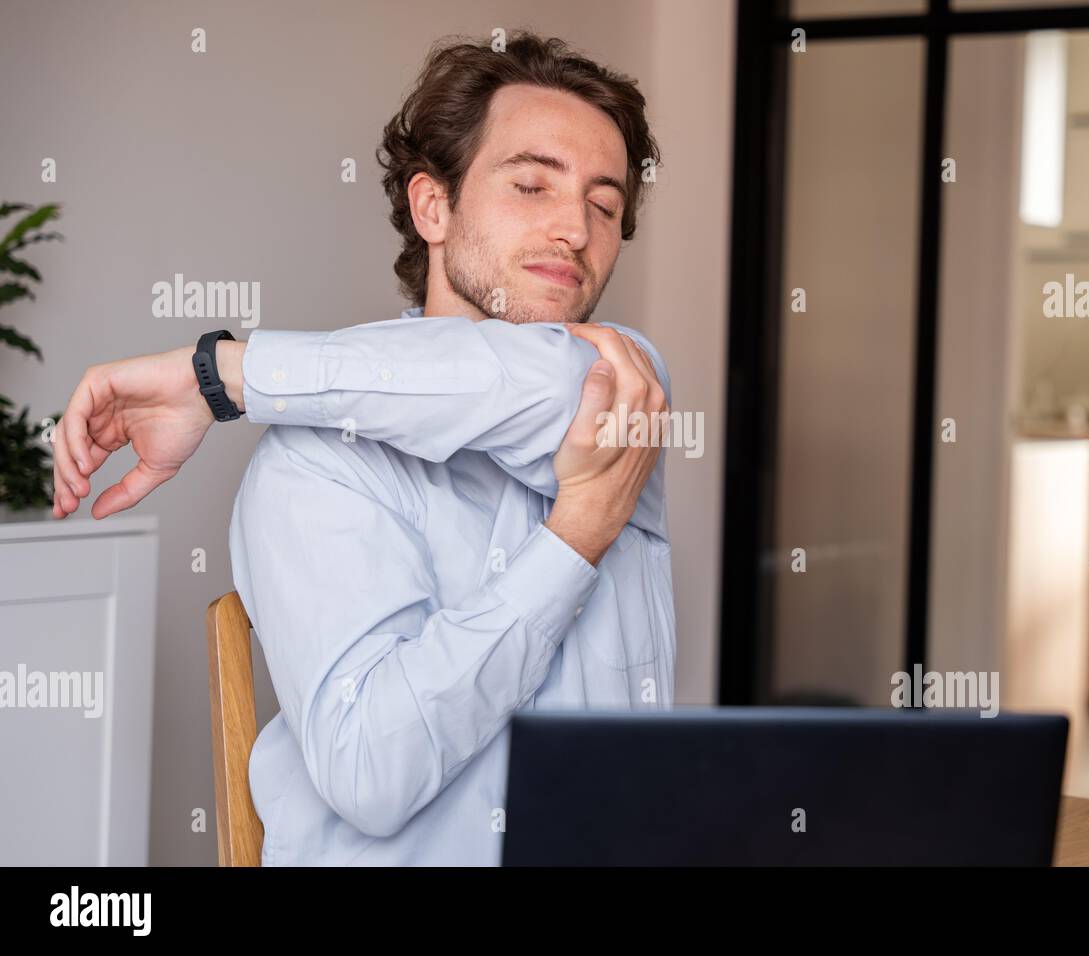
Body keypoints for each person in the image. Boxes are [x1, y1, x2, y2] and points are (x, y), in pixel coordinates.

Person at [47, 30, 676, 865]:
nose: (575, 228)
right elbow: (373, 772)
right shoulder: (315, 462)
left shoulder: (625, 382)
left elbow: (518, 382)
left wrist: (226, 373)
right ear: (433, 208)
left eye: (605, 205)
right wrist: (571, 547)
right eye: (532, 184)